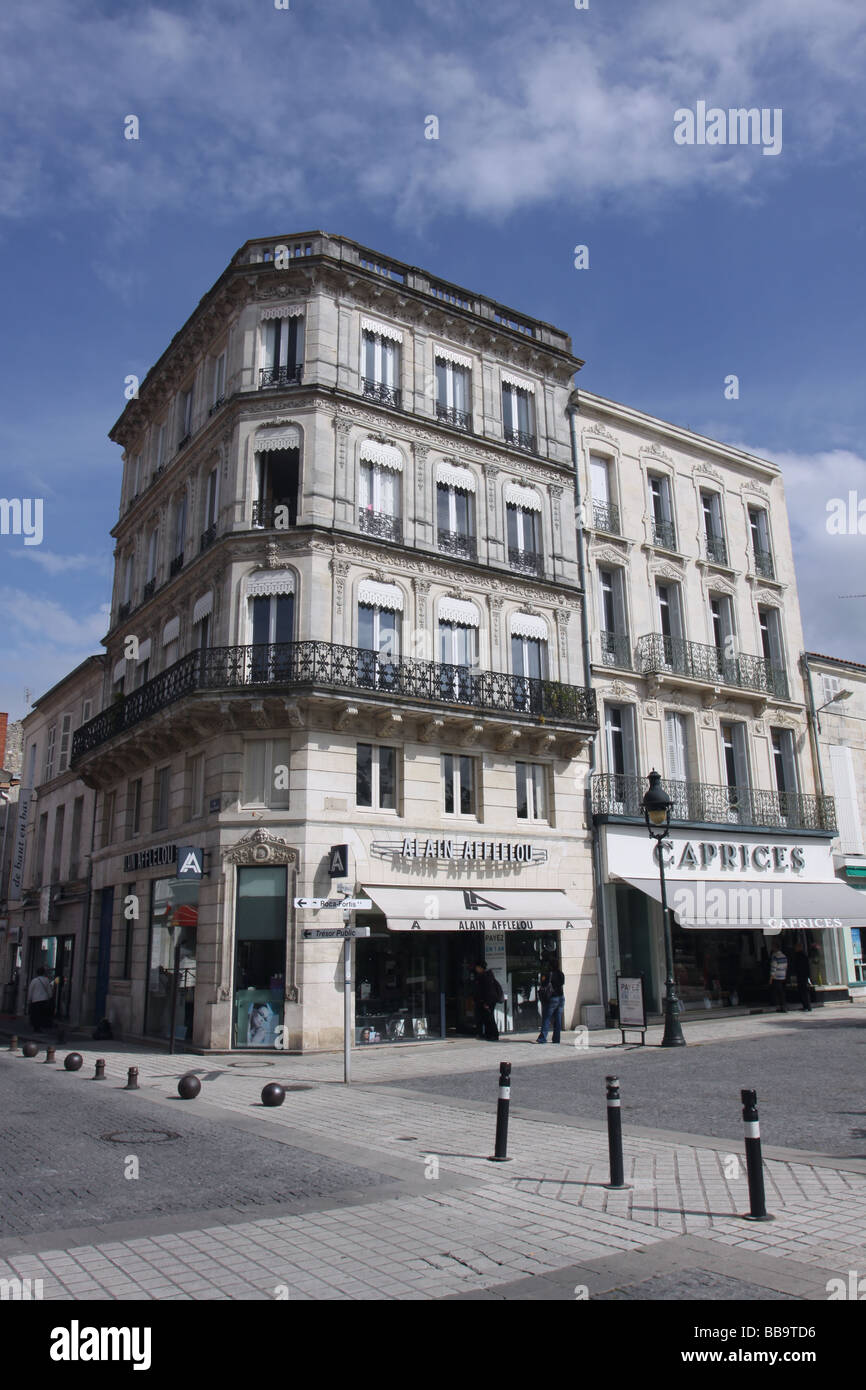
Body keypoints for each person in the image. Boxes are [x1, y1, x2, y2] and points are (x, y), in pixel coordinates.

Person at [536, 958, 566, 1043]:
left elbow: (543, 983)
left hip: (552, 998)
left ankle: (542, 1038)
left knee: (546, 1018)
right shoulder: (561, 974)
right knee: (558, 1019)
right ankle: (556, 1038)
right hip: (561, 997)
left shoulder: (549, 974)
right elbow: (562, 983)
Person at [473, 961, 502, 1041]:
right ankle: (488, 1034)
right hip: (482, 1001)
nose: (476, 969)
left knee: (489, 1018)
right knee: (484, 1018)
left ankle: (494, 1035)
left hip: (488, 1001)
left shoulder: (486, 976)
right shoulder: (481, 976)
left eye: (477, 967)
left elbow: (489, 991)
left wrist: (487, 1003)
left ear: (480, 968)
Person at [791, 942, 813, 1012]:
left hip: (801, 976)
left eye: (796, 947)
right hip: (804, 976)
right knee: (804, 991)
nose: (795, 949)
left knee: (803, 991)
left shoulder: (799, 956)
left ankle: (806, 1006)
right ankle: (807, 1006)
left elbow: (797, 966)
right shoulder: (804, 956)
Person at [768, 944, 789, 1012]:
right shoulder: (784, 956)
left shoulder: (775, 956)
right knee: (782, 992)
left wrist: (771, 978)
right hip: (783, 976)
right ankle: (784, 1006)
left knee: (777, 992)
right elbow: (786, 966)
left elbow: (773, 967)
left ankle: (780, 1006)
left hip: (776, 977)